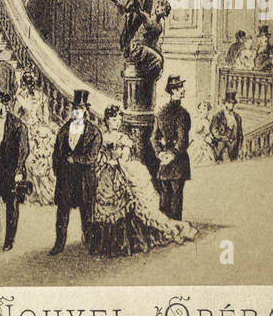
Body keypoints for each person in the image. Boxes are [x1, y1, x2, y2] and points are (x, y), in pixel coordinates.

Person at [85, 105, 196, 256]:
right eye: (113, 119)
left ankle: (125, 243)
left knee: (128, 206)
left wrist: (116, 157)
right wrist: (104, 160)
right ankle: (107, 244)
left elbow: (125, 156)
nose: (116, 122)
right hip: (106, 175)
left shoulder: (124, 138)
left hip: (121, 172)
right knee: (105, 207)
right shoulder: (102, 137)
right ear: (107, 121)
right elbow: (97, 157)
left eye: (118, 119)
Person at [50, 90, 102, 255]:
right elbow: (56, 152)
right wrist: (58, 170)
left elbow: (92, 157)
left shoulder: (94, 132)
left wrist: (75, 159)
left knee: (87, 213)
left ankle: (90, 242)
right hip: (66, 178)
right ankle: (59, 243)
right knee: (62, 213)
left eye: (80, 109)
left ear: (86, 110)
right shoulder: (64, 129)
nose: (76, 112)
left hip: (84, 179)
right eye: (75, 108)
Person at [0, 91, 29, 250]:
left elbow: (23, 151)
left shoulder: (17, 125)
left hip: (11, 172)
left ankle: (9, 241)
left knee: (11, 206)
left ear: (5, 104)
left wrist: (18, 172)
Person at [150, 75, 192, 219]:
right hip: (178, 161)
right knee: (175, 195)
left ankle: (166, 228)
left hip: (164, 161)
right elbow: (183, 141)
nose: (183, 90)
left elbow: (154, 138)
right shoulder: (183, 114)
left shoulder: (161, 112)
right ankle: (175, 227)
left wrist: (161, 154)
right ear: (173, 90)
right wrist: (170, 155)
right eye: (180, 87)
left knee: (165, 194)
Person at [15, 72, 56, 206]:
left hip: (32, 131)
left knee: (33, 158)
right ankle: (37, 194)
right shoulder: (34, 96)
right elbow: (45, 118)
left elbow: (16, 115)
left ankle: (36, 194)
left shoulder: (27, 97)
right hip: (33, 130)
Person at [210, 91, 244, 163]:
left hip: (234, 150)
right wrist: (224, 138)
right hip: (221, 149)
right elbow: (214, 131)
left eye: (232, 103)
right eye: (229, 103)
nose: (231, 105)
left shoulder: (237, 117)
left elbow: (240, 135)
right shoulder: (218, 116)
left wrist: (240, 148)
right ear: (225, 103)